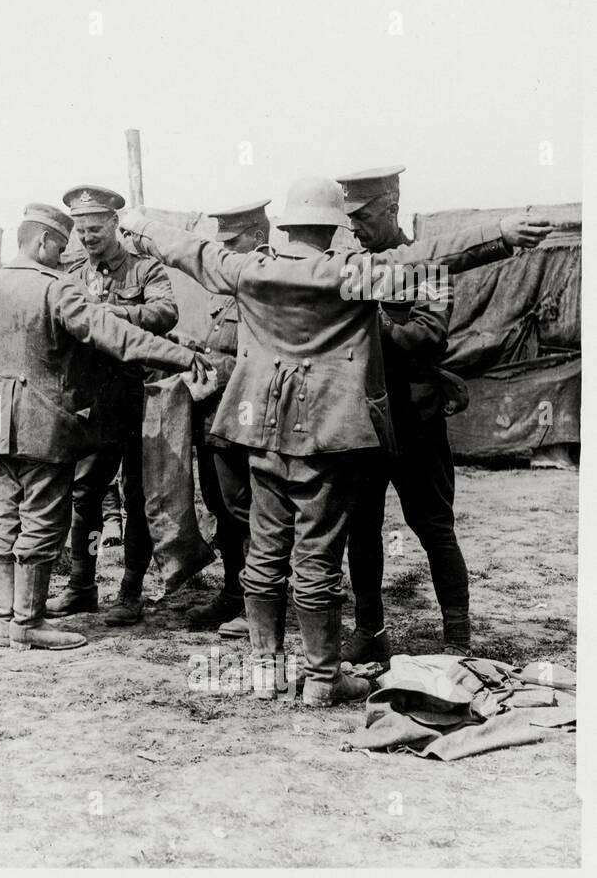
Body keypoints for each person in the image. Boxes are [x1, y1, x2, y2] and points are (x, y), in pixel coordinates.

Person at [119, 180, 551, 705]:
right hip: (329, 436)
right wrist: (502, 233)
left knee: (265, 550)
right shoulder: (349, 274)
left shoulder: (249, 270)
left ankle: (265, 673)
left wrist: (140, 225)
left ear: (284, 227)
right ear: (331, 229)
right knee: (318, 556)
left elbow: (191, 250)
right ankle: (323, 679)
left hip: (263, 433)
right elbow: (436, 255)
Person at [0, 203, 209, 650]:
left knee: (5, 516)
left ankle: (5, 618)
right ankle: (27, 622)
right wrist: (182, 356)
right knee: (42, 520)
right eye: (60, 245)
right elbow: (117, 337)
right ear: (43, 242)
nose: (64, 255)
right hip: (41, 421)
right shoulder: (58, 288)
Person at [337, 166, 552, 658]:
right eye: (349, 216)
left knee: (433, 526)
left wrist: (373, 320)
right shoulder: (349, 265)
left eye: (363, 214)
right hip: (363, 421)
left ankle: (457, 636)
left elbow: (428, 337)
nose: (354, 226)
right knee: (362, 527)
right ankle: (369, 631)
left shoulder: (431, 267)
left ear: (390, 207)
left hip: (415, 419)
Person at [45, 185, 178, 627]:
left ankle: (131, 590)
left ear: (114, 224)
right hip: (93, 401)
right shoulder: (72, 275)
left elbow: (165, 313)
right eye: (80, 230)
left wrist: (114, 315)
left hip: (141, 396)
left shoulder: (145, 269)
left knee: (137, 495)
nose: (87, 237)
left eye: (95, 228)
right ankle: (82, 584)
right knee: (85, 495)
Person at [181, 200, 267, 639]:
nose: (226, 253)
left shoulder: (267, 287)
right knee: (221, 509)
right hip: (216, 420)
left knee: (246, 512)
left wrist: (212, 364)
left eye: (233, 243)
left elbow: (262, 359)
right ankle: (234, 592)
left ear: (258, 237)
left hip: (247, 421)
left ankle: (260, 602)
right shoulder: (232, 289)